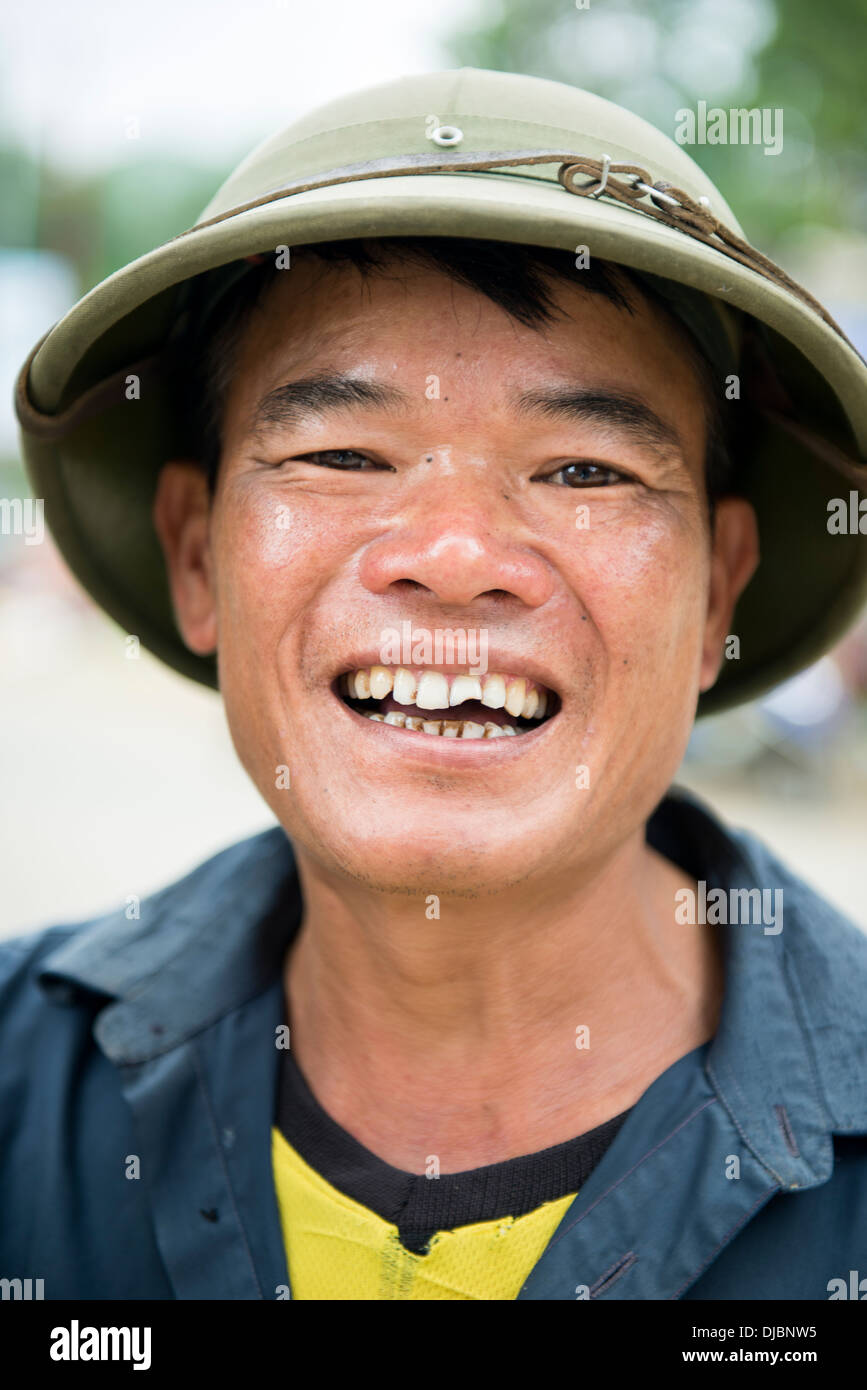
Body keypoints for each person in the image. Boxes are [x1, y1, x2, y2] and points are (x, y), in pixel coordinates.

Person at [5, 68, 867, 1301]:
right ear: (198, 555)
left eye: (584, 471)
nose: (456, 556)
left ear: (718, 592)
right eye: (340, 453)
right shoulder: (18, 1089)